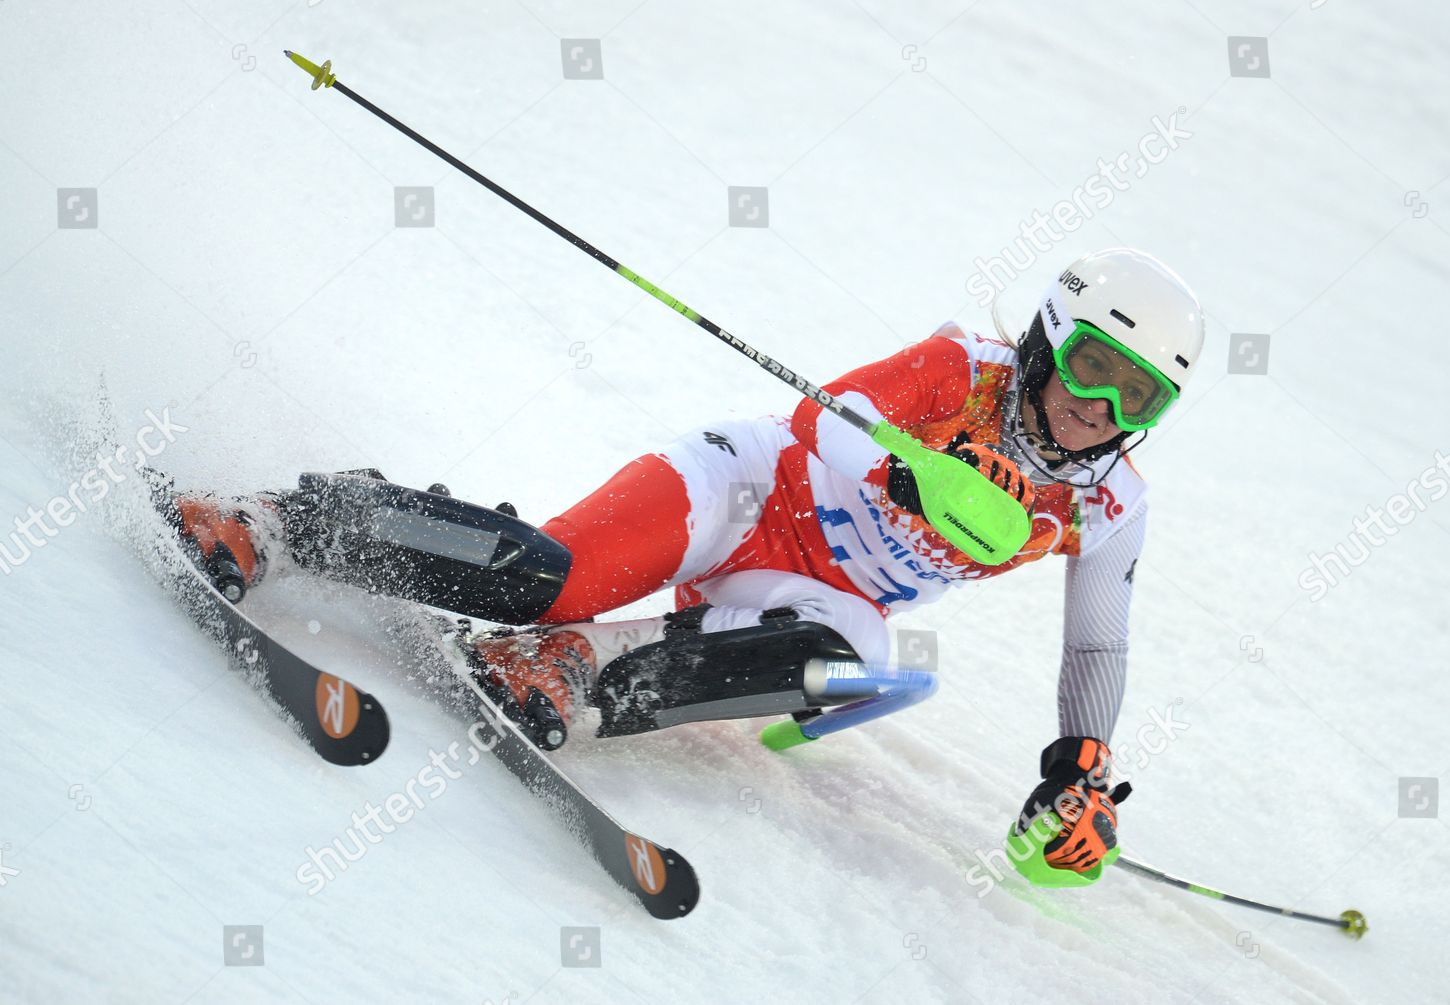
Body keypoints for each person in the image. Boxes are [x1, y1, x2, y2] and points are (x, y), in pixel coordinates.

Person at [171, 246, 1204, 886]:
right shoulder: (962, 372)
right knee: (550, 576)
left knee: (856, 661)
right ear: (1049, 341)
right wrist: (914, 476)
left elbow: (1099, 639)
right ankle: (288, 518)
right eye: (1092, 372)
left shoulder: (1109, 504)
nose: (1099, 413)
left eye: (1138, 399)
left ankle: (571, 671)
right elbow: (823, 413)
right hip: (743, 492)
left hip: (815, 594)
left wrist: (1080, 776)